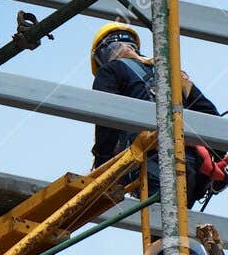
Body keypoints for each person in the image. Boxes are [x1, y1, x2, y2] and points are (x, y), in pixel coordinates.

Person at [89, 22, 227, 205]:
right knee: (178, 226)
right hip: (191, 170)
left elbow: (107, 119)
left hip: (153, 165)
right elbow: (210, 118)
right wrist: (213, 159)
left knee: (161, 227)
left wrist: (102, 167)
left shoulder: (111, 71)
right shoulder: (171, 74)